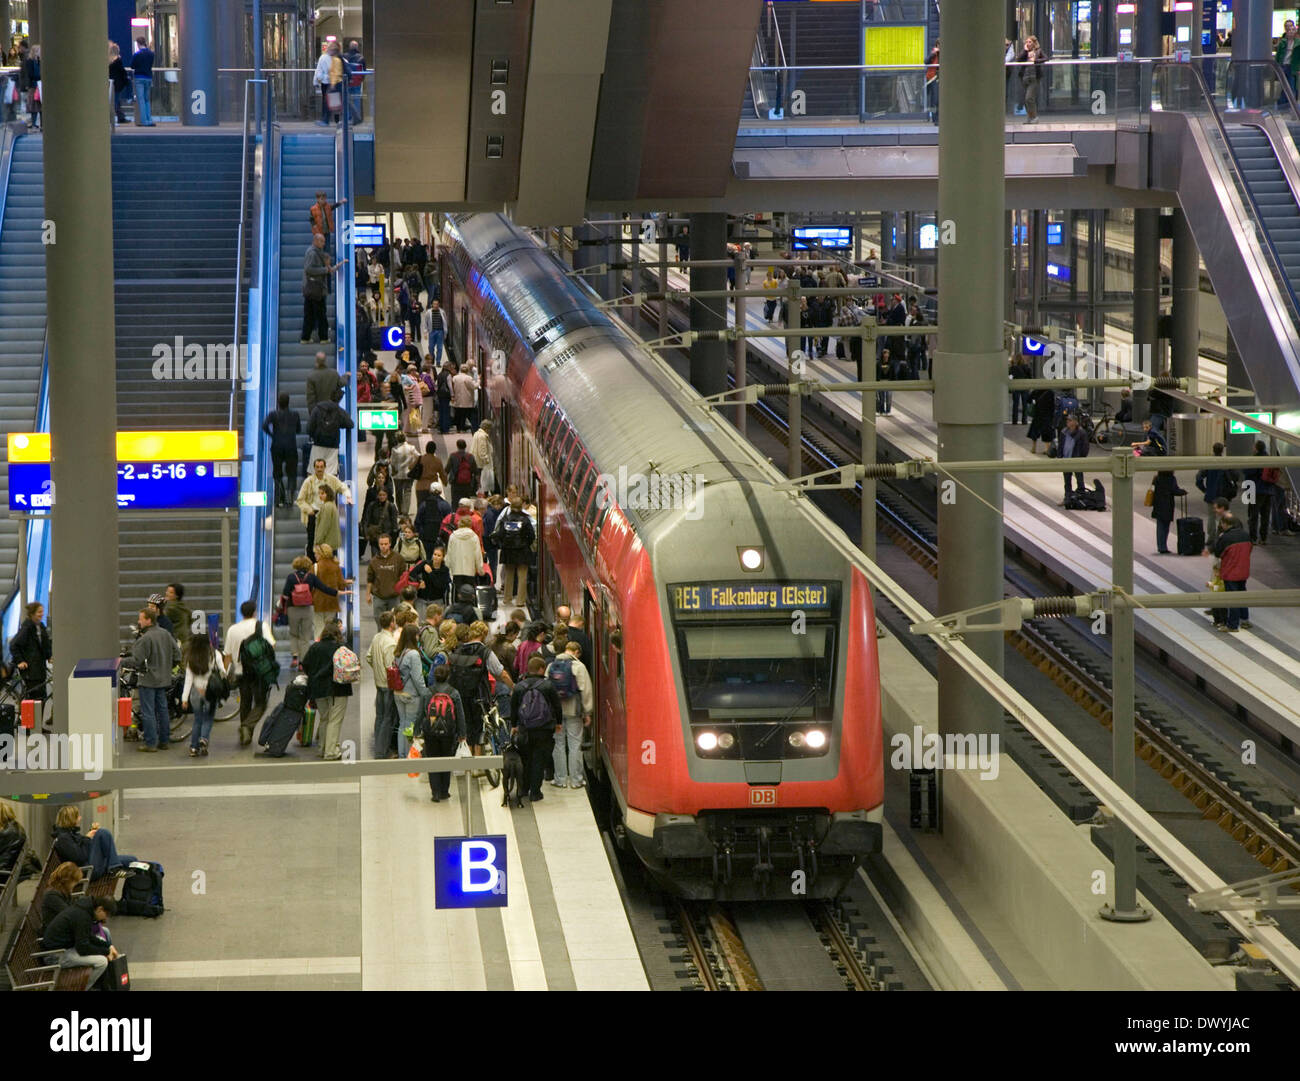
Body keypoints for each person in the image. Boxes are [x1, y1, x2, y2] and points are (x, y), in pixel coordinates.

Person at [510, 655, 563, 803]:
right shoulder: (547, 686)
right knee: (539, 760)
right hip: (544, 729)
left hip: (524, 729)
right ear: (540, 670)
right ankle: (535, 792)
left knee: (526, 759)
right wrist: (558, 722)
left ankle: (523, 789)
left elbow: (513, 707)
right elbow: (557, 706)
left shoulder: (519, 686)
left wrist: (514, 725)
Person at [223, 600, 276, 746]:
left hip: (241, 672)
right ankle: (247, 726)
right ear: (254, 612)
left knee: (245, 702)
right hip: (259, 672)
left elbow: (227, 655)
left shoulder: (232, 629)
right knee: (261, 703)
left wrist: (224, 673)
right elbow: (272, 645)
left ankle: (246, 736)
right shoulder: (261, 626)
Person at [42, 894, 119, 989]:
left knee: (101, 949)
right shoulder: (82, 916)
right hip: (55, 955)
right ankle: (81, 988)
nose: (105, 919)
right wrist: (106, 952)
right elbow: (83, 948)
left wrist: (108, 946)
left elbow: (88, 936)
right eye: (106, 915)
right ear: (100, 909)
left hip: (63, 949)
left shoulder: (84, 909)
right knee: (101, 962)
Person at [130, 606, 179, 752]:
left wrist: (121, 661)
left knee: (148, 712)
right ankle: (164, 741)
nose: (139, 621)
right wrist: (166, 668)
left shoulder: (145, 638)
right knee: (162, 710)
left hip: (148, 680)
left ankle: (150, 743)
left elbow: (137, 660)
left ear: (148, 620)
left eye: (141, 618)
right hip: (163, 679)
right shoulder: (165, 634)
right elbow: (177, 655)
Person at [282, 554, 343, 667]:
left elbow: (285, 594)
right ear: (307, 565)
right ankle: (302, 662)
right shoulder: (311, 577)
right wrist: (337, 592)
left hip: (293, 608)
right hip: (307, 608)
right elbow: (323, 588)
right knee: (305, 636)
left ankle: (295, 656)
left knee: (294, 633)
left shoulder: (291, 577)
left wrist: (282, 606)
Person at [548, 641, 593, 789]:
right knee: (575, 745)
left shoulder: (551, 665)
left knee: (558, 745)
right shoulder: (579, 667)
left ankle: (560, 779)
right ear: (577, 652)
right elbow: (586, 691)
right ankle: (576, 780)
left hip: (556, 713)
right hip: (574, 711)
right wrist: (587, 712)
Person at [302, 618, 350, 759]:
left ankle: (322, 748)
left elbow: (305, 664)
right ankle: (331, 751)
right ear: (337, 633)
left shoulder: (315, 647)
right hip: (337, 689)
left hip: (318, 689)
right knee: (335, 720)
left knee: (324, 718)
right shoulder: (340, 648)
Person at [420, 664, 466, 802]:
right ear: (448, 676)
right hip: (448, 732)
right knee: (447, 759)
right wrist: (462, 733)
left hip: (430, 732)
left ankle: (435, 792)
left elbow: (420, 713)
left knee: (432, 760)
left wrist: (417, 730)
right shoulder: (454, 693)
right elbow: (460, 715)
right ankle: (444, 791)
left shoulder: (428, 692)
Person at [51, 806, 136, 880]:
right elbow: (79, 857)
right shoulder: (63, 839)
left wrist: (90, 835)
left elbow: (80, 847)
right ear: (71, 819)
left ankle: (116, 870)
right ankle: (114, 869)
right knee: (102, 833)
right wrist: (87, 838)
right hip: (85, 870)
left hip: (88, 864)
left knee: (132, 861)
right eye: (77, 816)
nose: (80, 818)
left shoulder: (69, 834)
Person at [181, 633, 226, 758]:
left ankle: (194, 748)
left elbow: (188, 680)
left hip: (195, 692)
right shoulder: (214, 654)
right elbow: (223, 672)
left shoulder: (191, 657)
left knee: (197, 720)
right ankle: (204, 738)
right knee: (208, 718)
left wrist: (184, 699)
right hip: (210, 692)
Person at [365, 610, 400, 759]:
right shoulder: (390, 643)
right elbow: (390, 666)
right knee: (387, 718)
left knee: (379, 717)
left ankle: (377, 747)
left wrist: (377, 670)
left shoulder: (376, 637)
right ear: (392, 623)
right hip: (387, 685)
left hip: (378, 683)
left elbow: (368, 657)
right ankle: (382, 751)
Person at [296, 458, 349, 557]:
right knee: (312, 541)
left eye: (321, 467)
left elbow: (342, 486)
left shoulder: (331, 479)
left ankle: (327, 564)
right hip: (313, 514)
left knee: (328, 540)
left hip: (327, 513)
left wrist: (348, 495)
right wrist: (309, 510)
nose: (319, 469)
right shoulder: (308, 481)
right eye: (317, 467)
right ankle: (312, 566)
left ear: (325, 467)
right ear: (314, 468)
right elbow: (300, 500)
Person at [302, 233, 347, 344]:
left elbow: (329, 269)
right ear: (316, 241)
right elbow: (309, 269)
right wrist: (324, 270)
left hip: (310, 290)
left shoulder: (315, 253)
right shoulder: (313, 253)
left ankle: (305, 338)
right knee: (321, 315)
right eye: (322, 241)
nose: (324, 243)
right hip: (316, 290)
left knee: (309, 315)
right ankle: (323, 338)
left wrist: (340, 264)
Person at [392, 624, 429, 759]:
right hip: (411, 694)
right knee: (411, 726)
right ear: (414, 637)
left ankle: (402, 755)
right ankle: (409, 756)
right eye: (417, 635)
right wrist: (425, 693)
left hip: (398, 692)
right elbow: (417, 677)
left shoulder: (398, 652)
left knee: (402, 724)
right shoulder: (413, 654)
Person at [10, 601, 51, 717]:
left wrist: (49, 656)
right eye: (39, 612)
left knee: (41, 697)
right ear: (32, 613)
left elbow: (45, 645)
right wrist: (20, 661)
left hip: (40, 668)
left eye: (42, 611)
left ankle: (37, 727)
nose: (41, 614)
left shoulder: (40, 627)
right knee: (32, 699)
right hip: (30, 670)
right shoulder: (27, 628)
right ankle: (29, 728)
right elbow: (14, 645)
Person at [1212, 514, 1253, 632]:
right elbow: (1250, 550)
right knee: (1242, 594)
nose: (1221, 525)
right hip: (1244, 570)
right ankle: (1245, 620)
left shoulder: (1225, 537)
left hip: (1230, 571)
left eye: (1222, 523)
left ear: (1226, 524)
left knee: (1233, 597)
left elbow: (1217, 553)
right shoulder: (1246, 535)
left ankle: (1232, 625)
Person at [1196, 443, 1240, 547]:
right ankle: (1222, 537)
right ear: (1222, 451)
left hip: (1211, 495)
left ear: (1213, 450)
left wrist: (1204, 490)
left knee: (1211, 517)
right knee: (1223, 517)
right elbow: (1236, 476)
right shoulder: (1226, 462)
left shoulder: (1208, 462)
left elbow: (1199, 478)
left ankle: (1211, 538)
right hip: (1224, 496)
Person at [262, 391, 301, 507]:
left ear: (278, 403)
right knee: (292, 474)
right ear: (288, 403)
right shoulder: (295, 414)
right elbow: (298, 430)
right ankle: (290, 499)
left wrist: (272, 435)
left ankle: (279, 498)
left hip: (277, 446)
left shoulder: (273, 414)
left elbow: (264, 425)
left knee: (277, 473)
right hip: (291, 446)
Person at [307, 387, 354, 477]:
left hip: (318, 444)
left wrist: (314, 435)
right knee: (331, 475)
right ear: (340, 399)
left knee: (313, 473)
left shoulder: (318, 408)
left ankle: (313, 490)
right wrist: (339, 424)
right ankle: (328, 491)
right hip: (333, 446)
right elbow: (350, 424)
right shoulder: (339, 411)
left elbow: (309, 428)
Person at [1244, 440, 1280, 545]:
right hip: (1269, 490)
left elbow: (1247, 472)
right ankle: (1263, 538)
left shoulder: (1255, 459)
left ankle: (1253, 538)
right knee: (1265, 515)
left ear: (1256, 448)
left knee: (1253, 515)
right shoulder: (1269, 458)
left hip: (1256, 490)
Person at [366, 532, 405, 628]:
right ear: (378, 545)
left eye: (386, 544)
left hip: (394, 597)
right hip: (379, 597)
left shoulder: (398, 559)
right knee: (380, 623)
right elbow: (370, 579)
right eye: (381, 544)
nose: (383, 546)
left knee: (395, 622)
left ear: (390, 544)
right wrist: (367, 595)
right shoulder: (374, 561)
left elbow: (403, 577)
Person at [446, 516, 483, 601]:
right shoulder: (474, 537)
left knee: (457, 595)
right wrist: (480, 570)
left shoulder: (453, 536)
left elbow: (449, 554)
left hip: (456, 571)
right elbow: (478, 555)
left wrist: (448, 568)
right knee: (469, 595)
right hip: (470, 571)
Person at [1150, 470, 1187, 555]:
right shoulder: (1171, 479)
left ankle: (1161, 546)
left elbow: (1153, 490)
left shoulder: (1157, 478)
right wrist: (1183, 492)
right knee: (1166, 526)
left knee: (1160, 526)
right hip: (1167, 505)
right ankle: (1163, 546)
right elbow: (1175, 490)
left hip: (1158, 504)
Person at [1056, 414, 1090, 503]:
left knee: (1079, 479)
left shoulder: (1081, 433)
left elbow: (1085, 447)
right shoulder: (1064, 432)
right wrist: (1059, 456)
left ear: (1075, 422)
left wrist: (1081, 458)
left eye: (1070, 420)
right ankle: (1067, 498)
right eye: (1067, 420)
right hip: (1066, 459)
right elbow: (1060, 445)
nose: (1068, 422)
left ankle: (1081, 498)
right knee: (1067, 481)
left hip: (1076, 460)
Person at [40, 862, 83, 931]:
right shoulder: (51, 895)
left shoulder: (65, 892)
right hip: (56, 933)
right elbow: (69, 913)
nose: (75, 885)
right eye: (74, 881)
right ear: (67, 880)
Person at [361, 487, 399, 559]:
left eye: (384, 495)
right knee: (375, 559)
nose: (382, 497)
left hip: (387, 538)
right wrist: (366, 534)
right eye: (380, 495)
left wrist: (393, 539)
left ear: (387, 495)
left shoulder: (391, 506)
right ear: (377, 495)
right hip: (374, 538)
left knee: (386, 559)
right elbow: (366, 520)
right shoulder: (372, 506)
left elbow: (394, 523)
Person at [1016, 35, 1045, 123]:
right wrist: (1025, 50)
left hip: (1034, 77)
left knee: (1029, 98)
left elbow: (1046, 58)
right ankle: (1030, 117)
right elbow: (1018, 59)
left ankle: (1034, 117)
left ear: (1034, 43)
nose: (1028, 44)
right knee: (1025, 99)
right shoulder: (1025, 52)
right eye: (1027, 42)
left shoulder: (1038, 51)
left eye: (1030, 42)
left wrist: (1036, 61)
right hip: (1025, 77)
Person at [413, 441, 447, 514]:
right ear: (434, 450)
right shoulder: (437, 461)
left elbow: (411, 467)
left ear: (426, 449)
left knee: (420, 507)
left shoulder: (420, 459)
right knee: (432, 508)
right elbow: (442, 474)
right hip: (433, 488)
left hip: (420, 486)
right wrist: (445, 482)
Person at [390, 432, 419, 515]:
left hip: (398, 474)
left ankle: (400, 510)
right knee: (408, 491)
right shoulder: (411, 448)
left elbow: (392, 462)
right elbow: (419, 456)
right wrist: (413, 465)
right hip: (409, 474)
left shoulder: (394, 449)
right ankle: (405, 510)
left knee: (398, 492)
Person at [129, 37, 153, 125]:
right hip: (148, 77)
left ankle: (144, 121)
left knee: (141, 99)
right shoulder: (151, 54)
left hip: (139, 77)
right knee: (147, 99)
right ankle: (149, 119)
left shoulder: (137, 54)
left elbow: (132, 66)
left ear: (138, 44)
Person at [1027, 387, 1057, 454]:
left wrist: (1034, 401)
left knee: (1034, 432)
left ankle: (1033, 448)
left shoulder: (1036, 390)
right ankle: (1047, 449)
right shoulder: (1050, 392)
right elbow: (1053, 405)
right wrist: (1052, 416)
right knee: (1046, 432)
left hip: (1037, 414)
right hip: (1047, 415)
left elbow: (1028, 400)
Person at [470, 419, 495, 494]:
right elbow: (482, 450)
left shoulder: (477, 433)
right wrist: (486, 460)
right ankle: (480, 491)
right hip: (480, 462)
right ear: (487, 428)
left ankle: (474, 491)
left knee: (477, 476)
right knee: (481, 478)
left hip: (475, 460)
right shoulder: (483, 436)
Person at [344, 39, 366, 123]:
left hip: (347, 81)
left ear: (349, 47)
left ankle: (348, 117)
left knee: (347, 99)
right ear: (357, 47)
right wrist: (361, 80)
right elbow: (364, 70)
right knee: (357, 99)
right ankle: (357, 118)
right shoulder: (361, 57)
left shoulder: (344, 56)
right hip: (357, 82)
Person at [451, 364, 477, 432]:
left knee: (458, 414)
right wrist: (479, 382)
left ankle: (458, 428)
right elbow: (473, 386)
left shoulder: (455, 378)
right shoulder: (468, 378)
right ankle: (462, 428)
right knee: (464, 415)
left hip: (458, 399)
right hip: (466, 400)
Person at [108, 42, 130, 124]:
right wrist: (126, 81)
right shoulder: (117, 61)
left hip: (111, 83)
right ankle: (116, 119)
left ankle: (121, 117)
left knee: (115, 101)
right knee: (115, 102)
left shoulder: (109, 61)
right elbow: (122, 71)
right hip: (117, 84)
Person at [1278, 19, 1300, 96]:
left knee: (1291, 85)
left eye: (1292, 29)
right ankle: (1283, 103)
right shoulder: (1283, 42)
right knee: (1283, 86)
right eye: (1288, 28)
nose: (1290, 31)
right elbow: (1279, 55)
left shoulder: (1298, 42)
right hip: (1283, 66)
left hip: (1292, 66)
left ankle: (1290, 104)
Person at [313, 40, 333, 125]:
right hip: (334, 82)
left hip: (325, 82)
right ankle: (336, 119)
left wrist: (316, 81)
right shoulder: (337, 57)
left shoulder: (323, 58)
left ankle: (325, 119)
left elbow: (318, 70)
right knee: (333, 100)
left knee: (326, 100)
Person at [1009, 356, 1032, 425]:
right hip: (1025, 387)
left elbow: (1010, 376)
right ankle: (1024, 420)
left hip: (1016, 386)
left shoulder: (1013, 368)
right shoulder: (1026, 367)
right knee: (1025, 404)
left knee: (1015, 404)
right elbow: (1030, 376)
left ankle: (1014, 420)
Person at [435, 360, 454, 434]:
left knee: (441, 411)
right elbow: (450, 386)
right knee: (446, 411)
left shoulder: (439, 374)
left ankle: (441, 428)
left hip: (440, 395)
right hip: (446, 395)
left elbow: (436, 385)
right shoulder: (448, 375)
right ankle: (446, 428)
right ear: (449, 367)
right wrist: (452, 395)